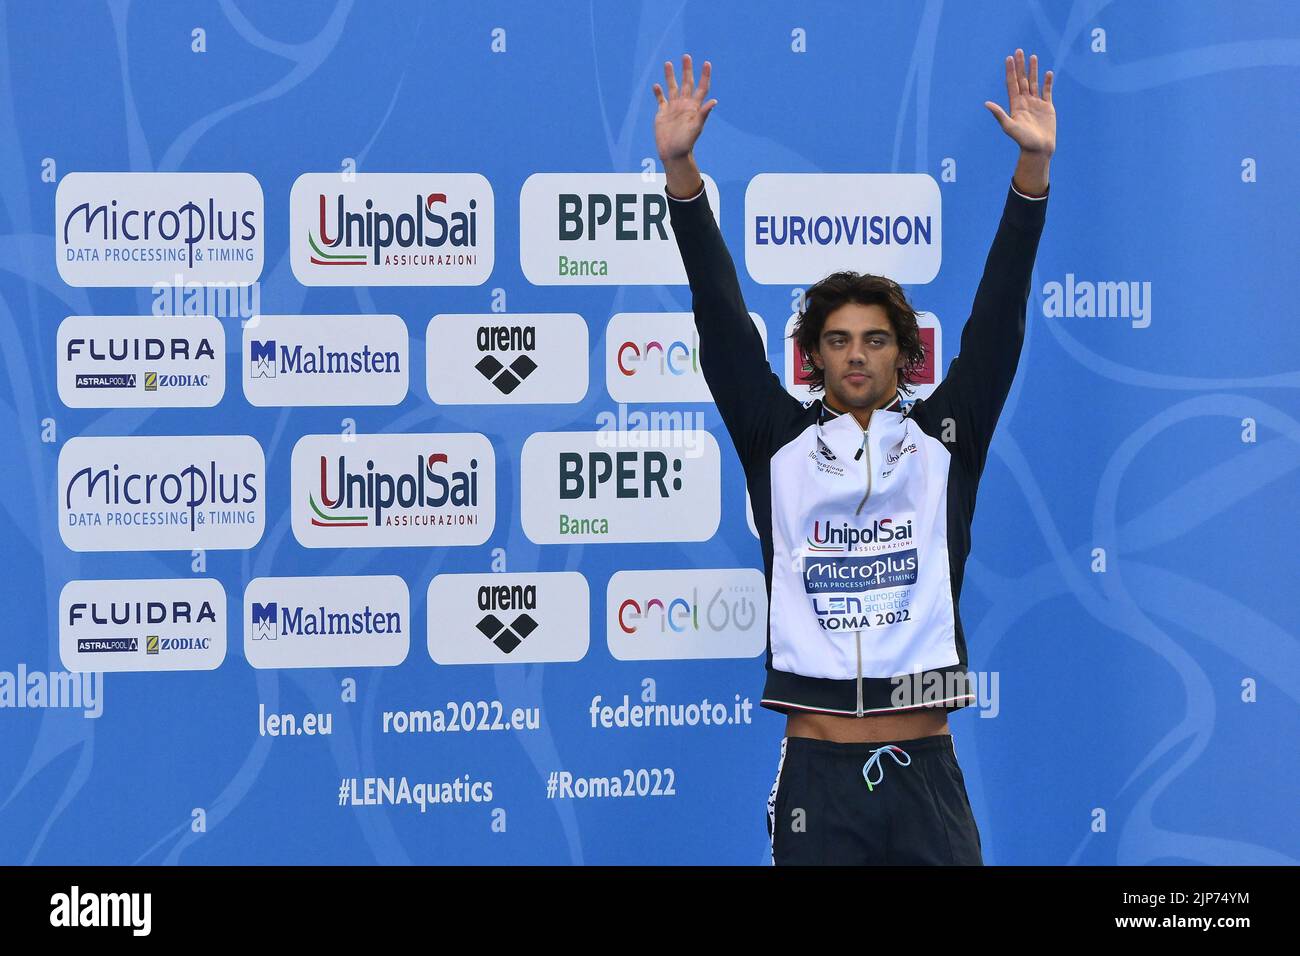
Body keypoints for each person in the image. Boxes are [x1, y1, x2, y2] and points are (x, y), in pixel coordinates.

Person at [652, 49, 1054, 864]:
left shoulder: (947, 440)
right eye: (837, 342)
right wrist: (683, 176)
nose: (856, 356)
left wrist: (1032, 172)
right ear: (814, 359)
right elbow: (723, 323)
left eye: (874, 340)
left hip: (927, 771)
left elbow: (1000, 318)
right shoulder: (778, 442)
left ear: (904, 354)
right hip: (819, 773)